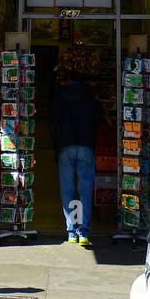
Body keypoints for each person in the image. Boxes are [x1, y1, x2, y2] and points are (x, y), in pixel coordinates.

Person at [50, 68, 99, 246]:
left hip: (65, 147)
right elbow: (96, 121)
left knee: (68, 190)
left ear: (69, 80)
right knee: (85, 190)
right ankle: (83, 232)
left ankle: (71, 232)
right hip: (86, 147)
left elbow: (53, 124)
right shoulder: (90, 98)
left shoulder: (60, 97)